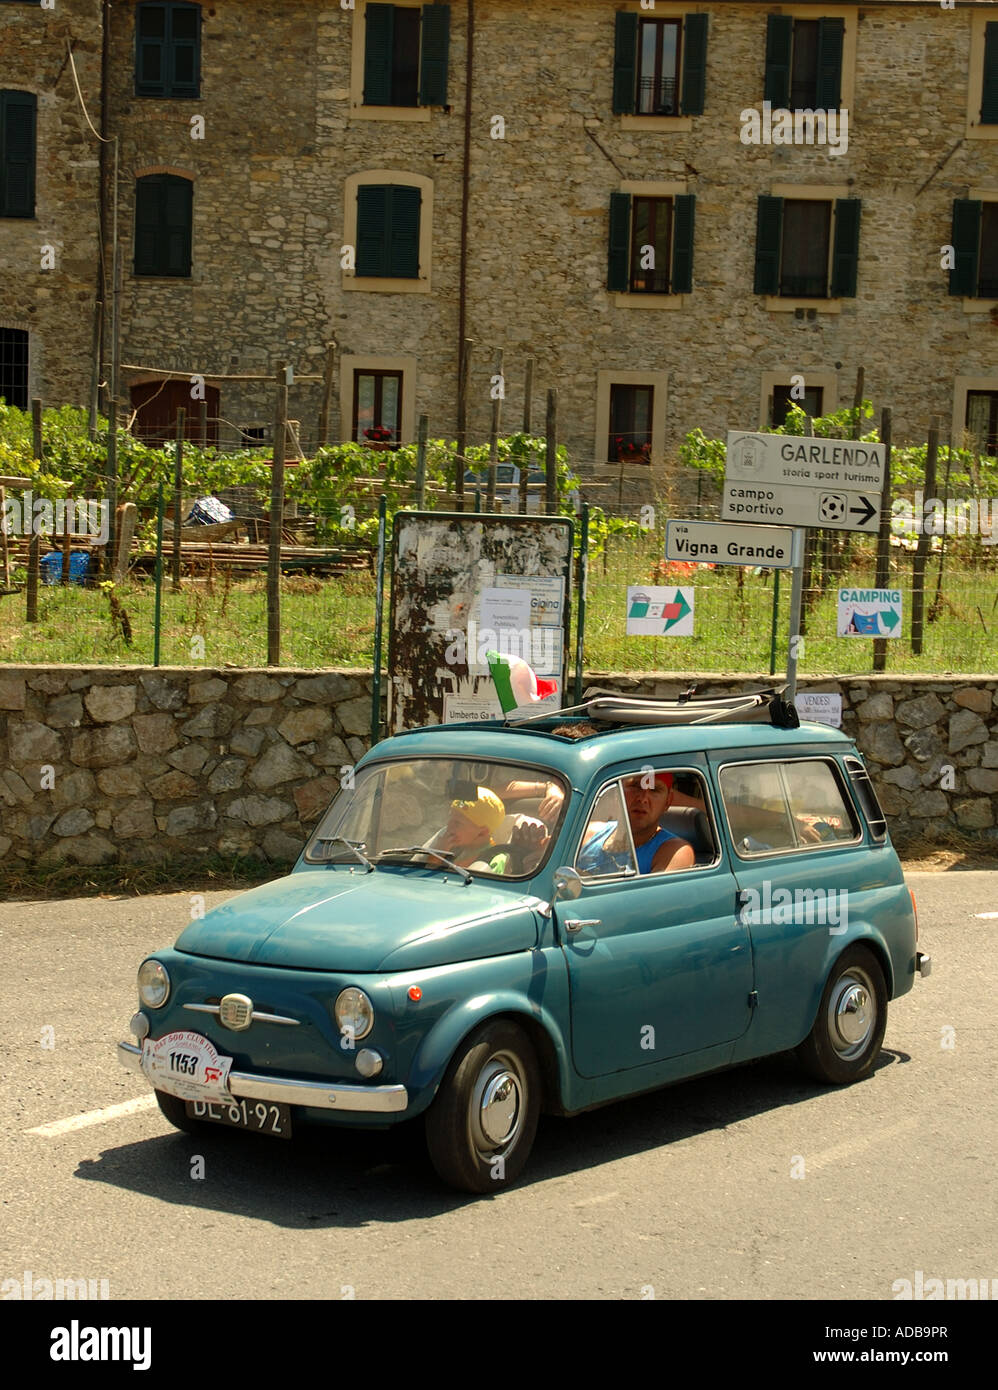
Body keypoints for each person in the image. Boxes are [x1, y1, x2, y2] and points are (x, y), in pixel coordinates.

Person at [578, 772, 695, 875]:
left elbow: (651, 899)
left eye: (654, 790)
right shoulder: (588, 834)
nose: (643, 798)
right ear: (616, 793)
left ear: (668, 801)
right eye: (635, 786)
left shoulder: (674, 852)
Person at [424, 786, 509, 870]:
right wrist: (437, 853)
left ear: (482, 832)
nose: (449, 825)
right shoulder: (450, 846)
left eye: (457, 823)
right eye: (450, 818)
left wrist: (437, 856)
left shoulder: (493, 860)